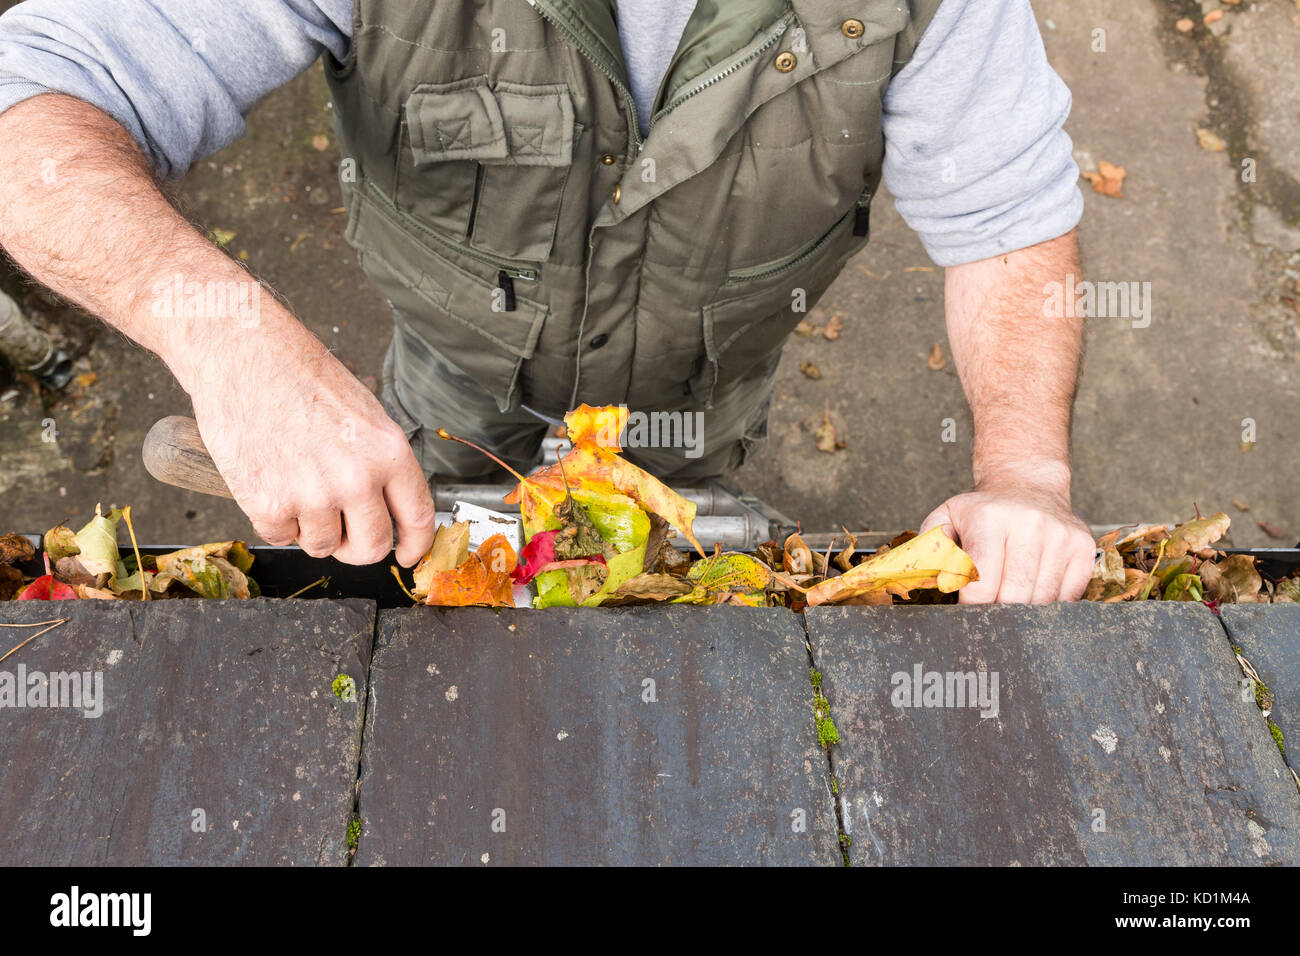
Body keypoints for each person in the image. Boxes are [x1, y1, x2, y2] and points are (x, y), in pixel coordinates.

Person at [0, 0, 1096, 602]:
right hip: (444, 408)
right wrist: (236, 348)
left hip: (696, 419)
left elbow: (1007, 222)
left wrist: (1025, 477)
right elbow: (28, 101)